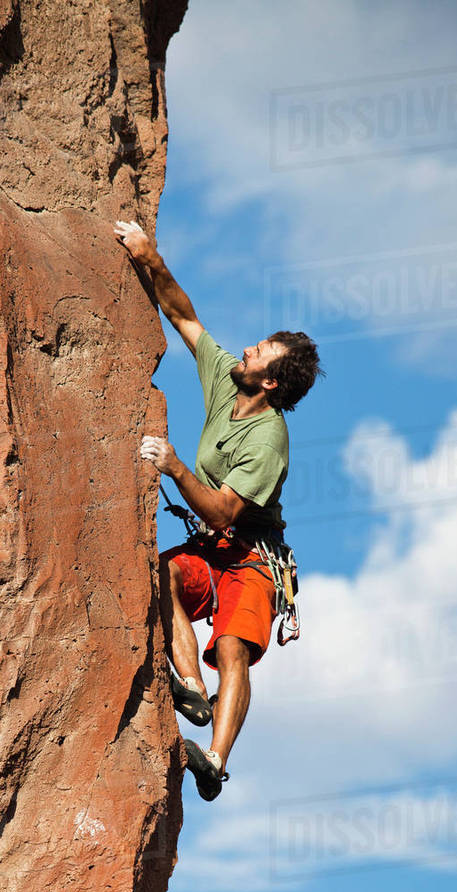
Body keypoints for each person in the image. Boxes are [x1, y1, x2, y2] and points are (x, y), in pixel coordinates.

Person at [114, 219, 323, 801]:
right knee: (164, 575)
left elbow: (227, 512)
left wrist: (178, 468)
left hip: (252, 558)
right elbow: (185, 317)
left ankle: (214, 760)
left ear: (272, 383)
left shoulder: (269, 440)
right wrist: (149, 258)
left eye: (259, 353)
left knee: (234, 647)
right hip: (214, 548)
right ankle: (189, 686)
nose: (247, 349)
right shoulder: (230, 383)